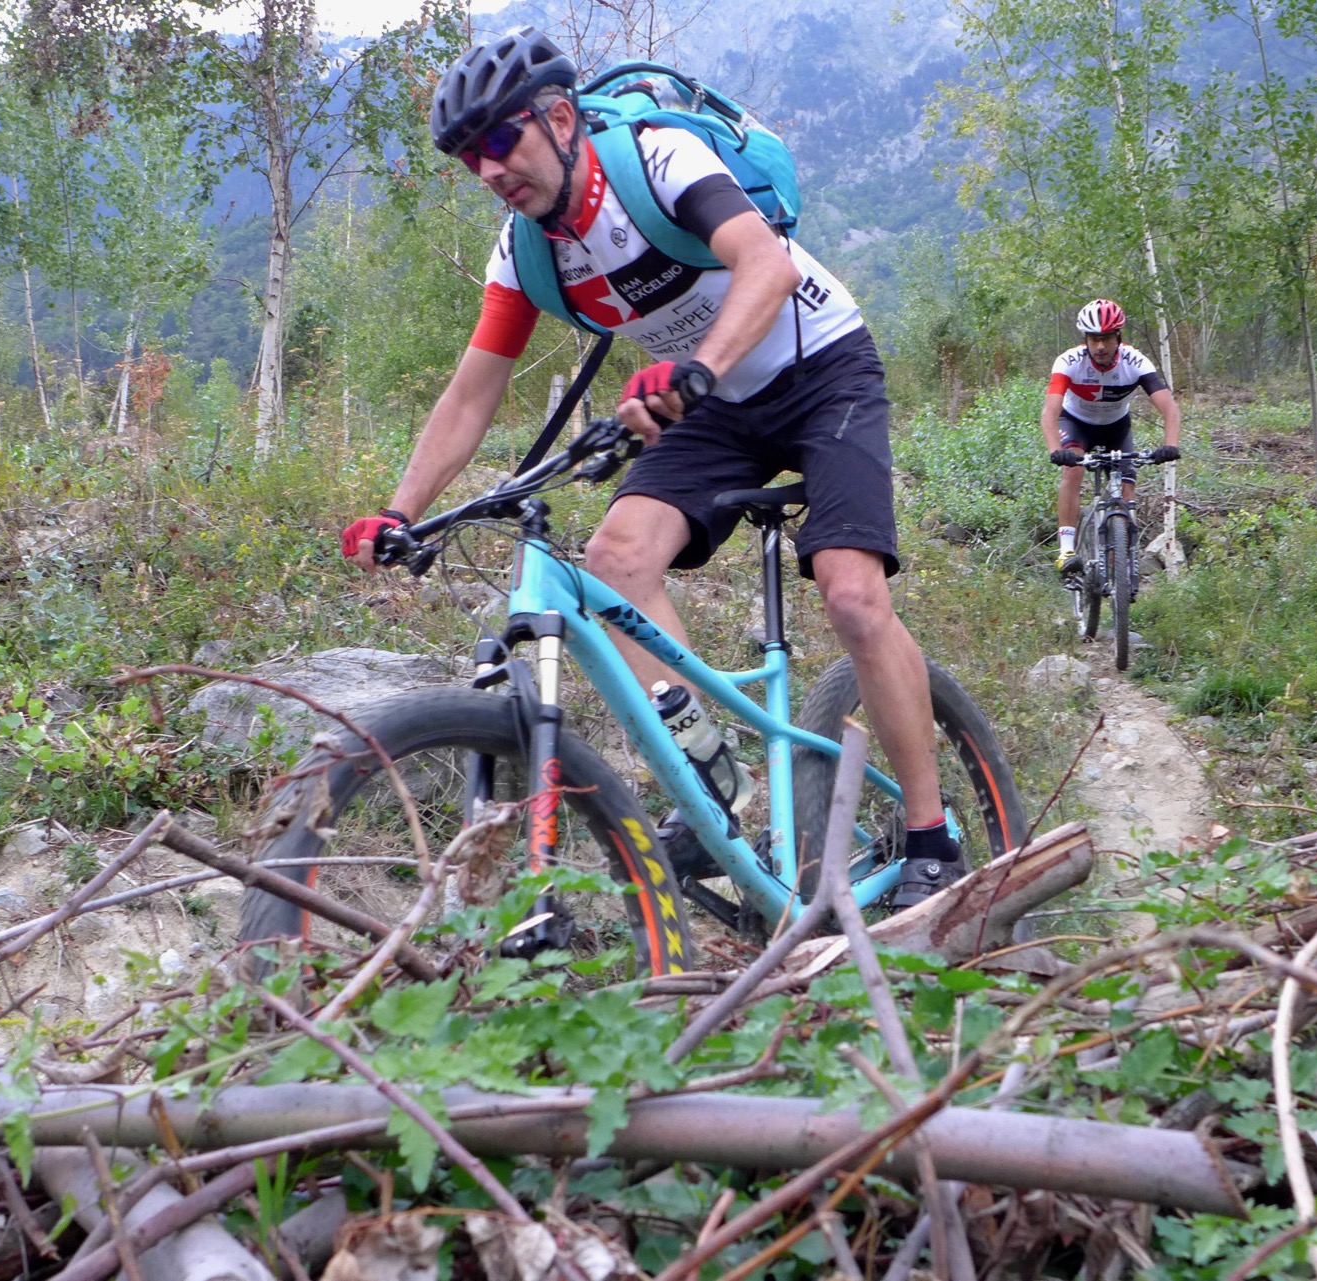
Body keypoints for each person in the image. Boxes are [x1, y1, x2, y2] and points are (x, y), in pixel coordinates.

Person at [339, 29, 964, 909]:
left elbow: (766, 264)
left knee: (853, 596)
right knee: (617, 562)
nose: (486, 169)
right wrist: (398, 510)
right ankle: (718, 785)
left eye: (498, 141)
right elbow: (472, 392)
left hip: (822, 370)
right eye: (466, 156)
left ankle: (935, 834)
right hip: (704, 403)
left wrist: (697, 367)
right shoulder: (523, 253)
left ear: (560, 118)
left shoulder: (658, 159)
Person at [1042, 299, 1182, 579]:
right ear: (1086, 339)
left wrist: (1171, 445)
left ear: (1119, 336)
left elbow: (1170, 408)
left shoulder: (1135, 362)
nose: (1101, 346)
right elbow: (1050, 411)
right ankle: (1067, 551)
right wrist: (1055, 450)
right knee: (1073, 471)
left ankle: (1119, 565)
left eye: (1106, 338)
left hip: (1116, 427)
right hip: (1076, 423)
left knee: (1126, 491)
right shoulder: (1069, 362)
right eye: (1094, 339)